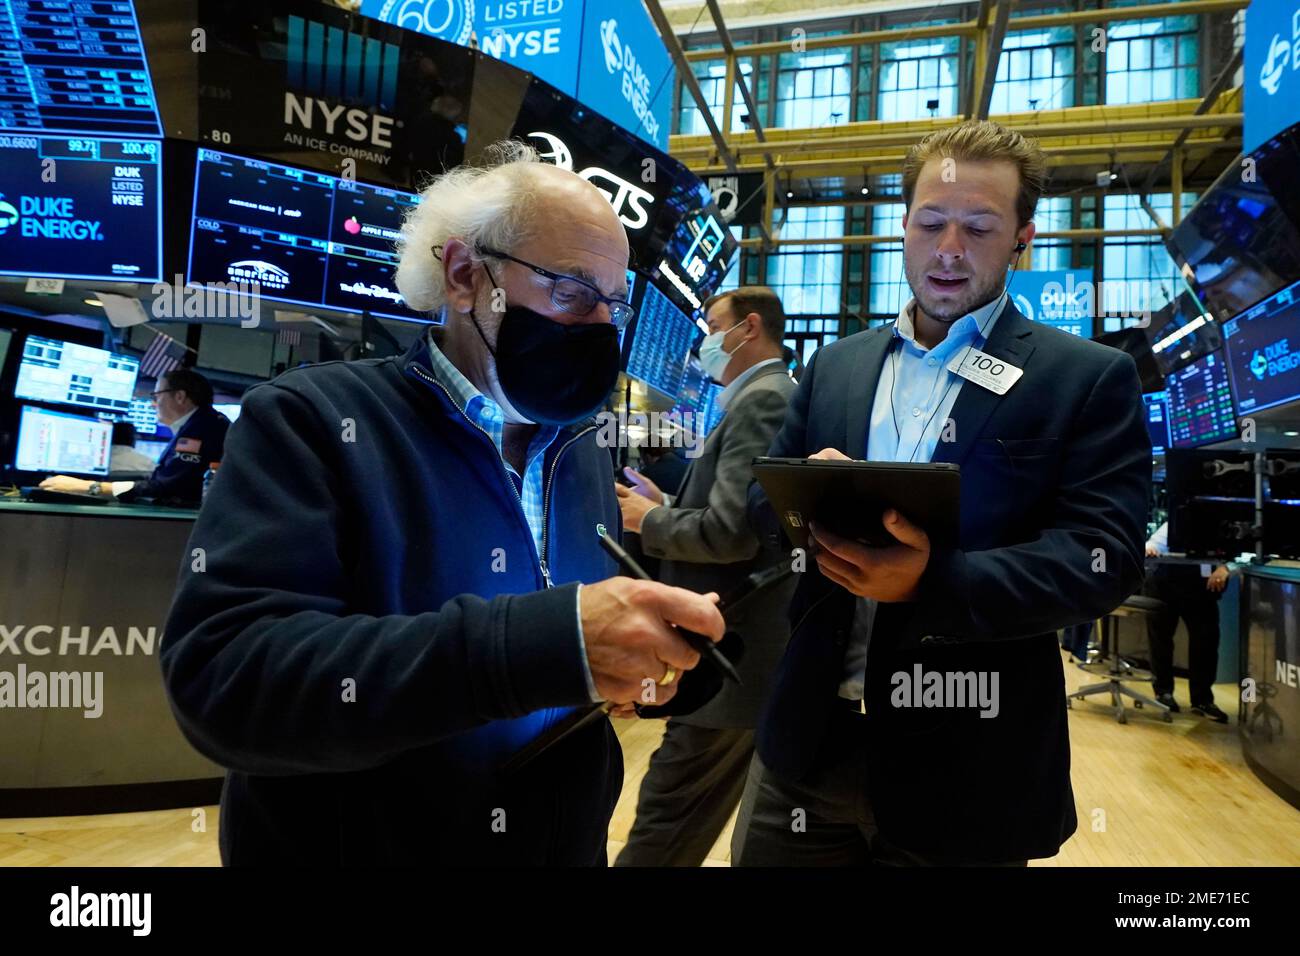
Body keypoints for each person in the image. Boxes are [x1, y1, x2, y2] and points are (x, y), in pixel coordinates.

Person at [158, 142, 725, 866]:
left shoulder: (581, 453)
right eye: (571, 292)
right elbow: (227, 681)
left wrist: (642, 667)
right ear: (464, 275)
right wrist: (542, 644)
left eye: (613, 305)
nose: (600, 330)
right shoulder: (311, 420)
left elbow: (571, 668)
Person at [735, 120, 1151, 866]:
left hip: (969, 765)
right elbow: (764, 510)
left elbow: (1103, 556)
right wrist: (810, 504)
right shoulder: (837, 365)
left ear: (1022, 238)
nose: (949, 249)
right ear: (902, 226)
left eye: (979, 228)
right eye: (931, 223)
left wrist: (934, 579)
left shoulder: (1082, 378)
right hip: (806, 749)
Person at [613, 286, 797, 867]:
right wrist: (666, 497)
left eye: (711, 327)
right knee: (680, 822)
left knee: (664, 827)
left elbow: (731, 534)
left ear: (748, 328)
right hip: (743, 658)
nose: (703, 343)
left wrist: (650, 519)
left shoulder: (762, 401)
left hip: (730, 655)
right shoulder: (767, 395)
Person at [39, 368, 229, 506]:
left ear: (180, 396)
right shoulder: (205, 423)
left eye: (156, 396)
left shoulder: (201, 429)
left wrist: (88, 487)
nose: (153, 404)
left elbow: (167, 488)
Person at [1143, 521, 1231, 722]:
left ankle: (1202, 700)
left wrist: (1226, 567)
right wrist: (1151, 549)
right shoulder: (1179, 519)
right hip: (1164, 581)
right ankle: (1163, 692)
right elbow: (1154, 543)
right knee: (1161, 639)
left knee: (1206, 640)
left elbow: (1245, 555)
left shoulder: (1226, 522)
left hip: (1202, 585)